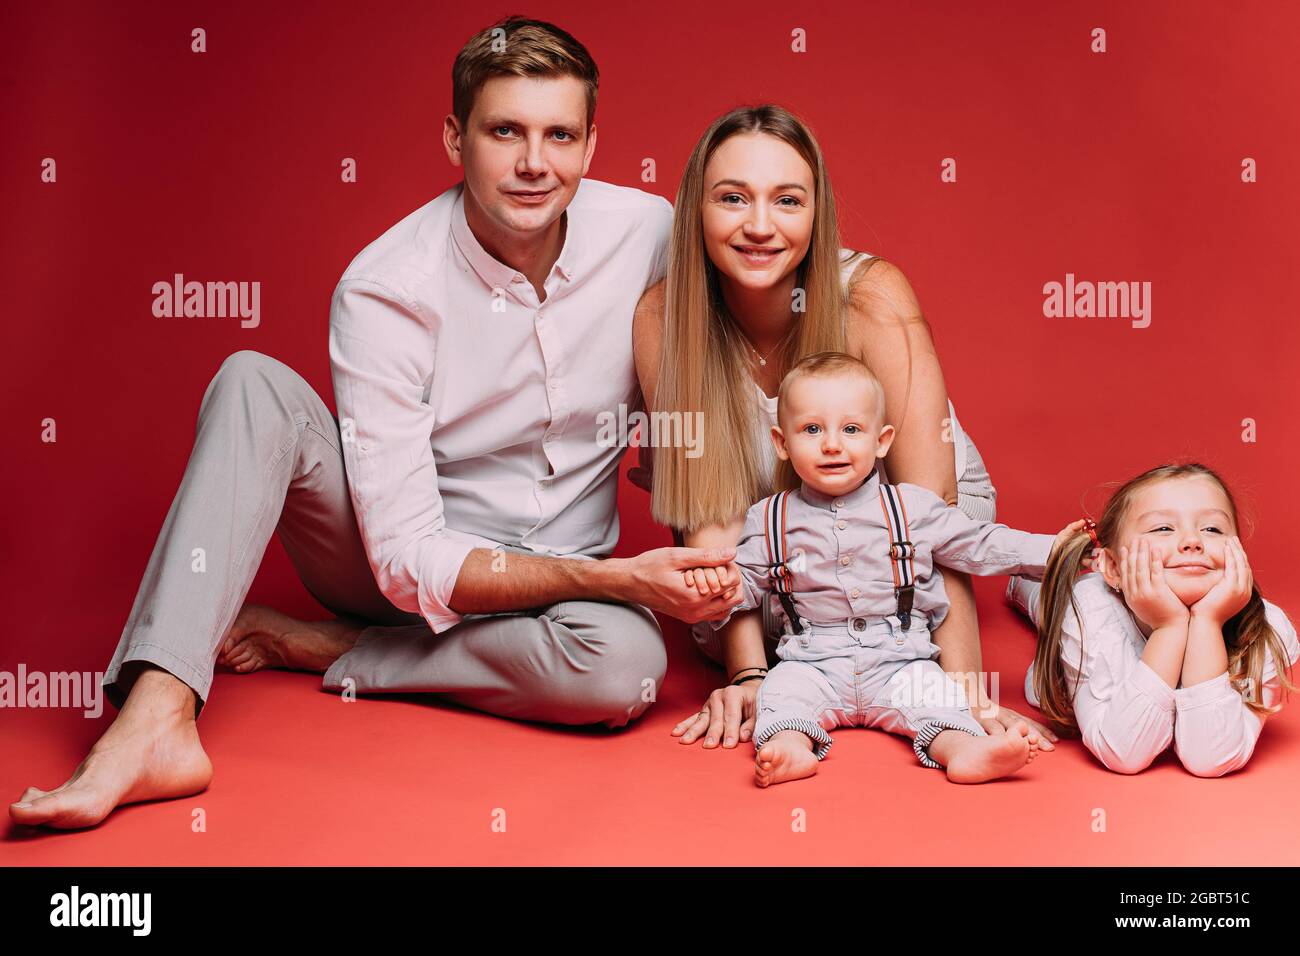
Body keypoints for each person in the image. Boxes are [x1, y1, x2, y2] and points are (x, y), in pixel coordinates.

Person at [10, 16, 738, 830]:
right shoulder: (388, 285)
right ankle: (153, 719)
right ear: (454, 137)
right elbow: (403, 560)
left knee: (623, 671)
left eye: (559, 134)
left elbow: (774, 264)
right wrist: (613, 580)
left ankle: (327, 648)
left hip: (556, 596)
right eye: (505, 131)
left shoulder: (647, 233)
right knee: (252, 382)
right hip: (393, 561)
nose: (536, 163)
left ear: (592, 146)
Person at [630, 104, 1059, 753]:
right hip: (773, 536)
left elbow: (930, 508)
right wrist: (747, 673)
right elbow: (711, 518)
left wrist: (966, 691)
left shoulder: (872, 297)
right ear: (695, 209)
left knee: (901, 625)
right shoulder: (664, 317)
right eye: (732, 198)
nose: (759, 226)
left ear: (817, 212)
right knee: (776, 641)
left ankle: (1038, 584)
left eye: (788, 200)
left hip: (905, 519)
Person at [689, 352, 1080, 785]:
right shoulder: (770, 517)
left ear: (882, 440)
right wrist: (718, 583)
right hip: (811, 660)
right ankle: (788, 750)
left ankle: (965, 750)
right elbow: (746, 582)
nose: (832, 444)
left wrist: (1056, 550)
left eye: (852, 429)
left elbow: (980, 545)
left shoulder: (910, 507)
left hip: (900, 658)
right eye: (812, 429)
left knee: (940, 702)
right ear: (782, 443)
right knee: (780, 699)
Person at [1007, 462, 1298, 776]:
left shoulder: (1267, 629)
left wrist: (1206, 622)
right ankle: (1025, 583)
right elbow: (1124, 753)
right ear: (1115, 569)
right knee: (1052, 599)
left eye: (1212, 529)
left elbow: (1212, 757)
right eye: (1163, 528)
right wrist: (1170, 628)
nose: (1192, 541)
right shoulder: (1089, 613)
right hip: (1086, 601)